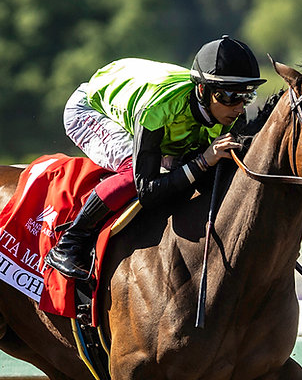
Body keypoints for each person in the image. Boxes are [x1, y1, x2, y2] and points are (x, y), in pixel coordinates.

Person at [44, 35, 266, 280]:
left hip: (138, 98)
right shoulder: (159, 110)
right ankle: (70, 242)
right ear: (203, 89)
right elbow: (147, 190)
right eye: (230, 96)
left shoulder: (227, 112)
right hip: (90, 107)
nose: (239, 107)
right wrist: (202, 161)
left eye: (247, 96)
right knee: (132, 172)